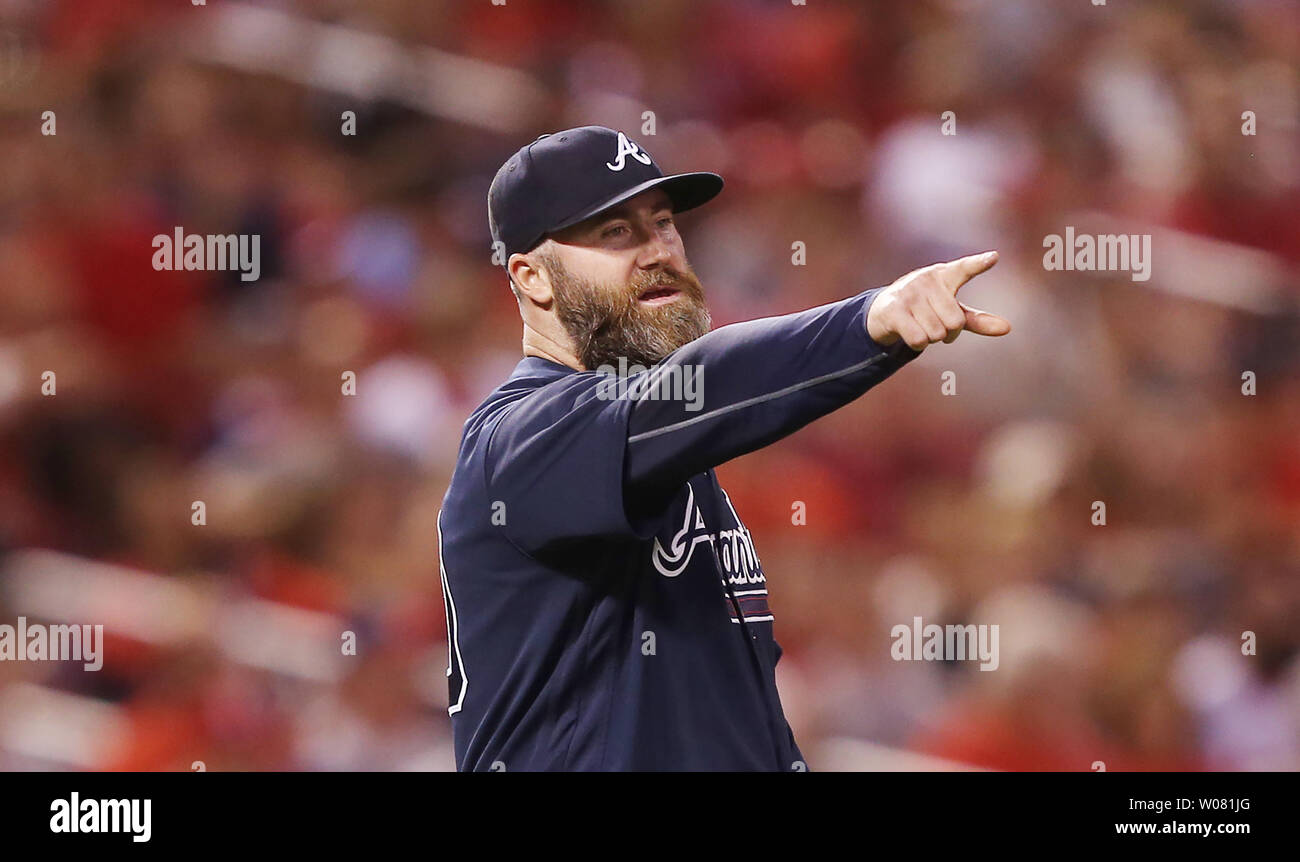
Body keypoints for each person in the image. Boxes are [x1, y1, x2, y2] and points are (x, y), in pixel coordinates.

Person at [438, 125, 1010, 770]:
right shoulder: (521, 442)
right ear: (532, 277)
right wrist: (868, 320)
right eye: (616, 233)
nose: (658, 251)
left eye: (663, 224)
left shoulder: (670, 462)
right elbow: (703, 386)